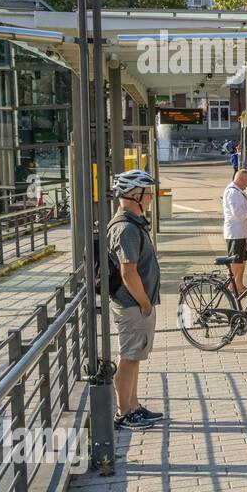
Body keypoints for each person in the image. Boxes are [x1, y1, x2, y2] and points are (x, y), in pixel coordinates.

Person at [107, 170, 167, 430]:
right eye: (148, 192)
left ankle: (133, 405)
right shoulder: (126, 229)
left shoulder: (133, 223)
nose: (152, 197)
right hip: (132, 305)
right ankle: (124, 411)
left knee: (134, 357)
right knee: (129, 357)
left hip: (136, 304)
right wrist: (144, 302)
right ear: (135, 194)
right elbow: (128, 272)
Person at [222, 169, 247, 292]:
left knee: (241, 260)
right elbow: (237, 213)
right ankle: (232, 286)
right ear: (240, 179)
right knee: (236, 260)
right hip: (235, 232)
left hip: (241, 232)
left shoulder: (239, 191)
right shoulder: (232, 192)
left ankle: (239, 284)